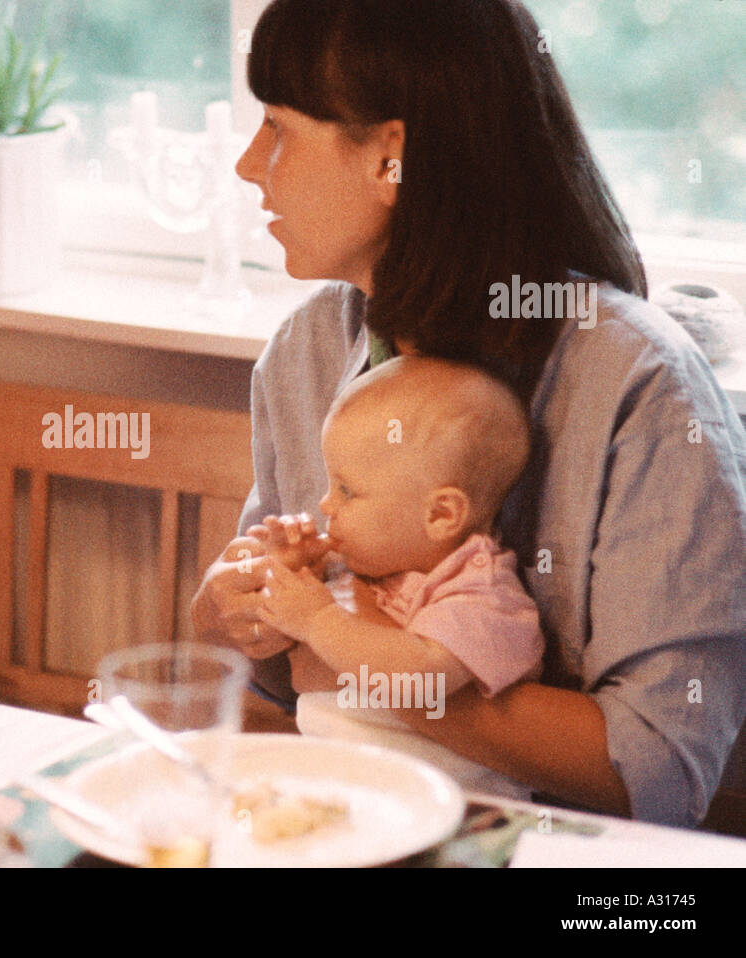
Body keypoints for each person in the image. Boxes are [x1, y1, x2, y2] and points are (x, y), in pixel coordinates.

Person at [191, 0, 746, 827]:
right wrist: (243, 608)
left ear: (392, 158)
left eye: (277, 126)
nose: (246, 163)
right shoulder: (305, 351)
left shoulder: (642, 385)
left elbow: (660, 768)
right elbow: (275, 670)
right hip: (354, 824)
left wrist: (353, 655)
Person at [253, 355, 543, 798]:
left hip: (453, 807)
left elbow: (419, 678)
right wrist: (290, 570)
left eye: (347, 490)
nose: (326, 504)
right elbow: (301, 662)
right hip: (343, 784)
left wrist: (317, 619)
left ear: (441, 514)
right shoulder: (381, 565)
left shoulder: (483, 593)